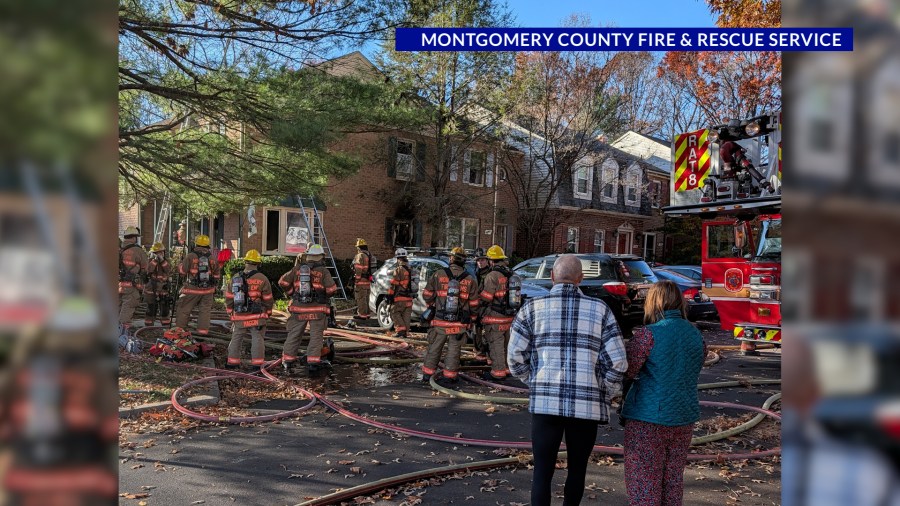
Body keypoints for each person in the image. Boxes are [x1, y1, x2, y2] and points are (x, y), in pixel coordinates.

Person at [507, 254, 627, 506]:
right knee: (577, 470)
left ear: (551, 277)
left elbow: (515, 357)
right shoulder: (600, 310)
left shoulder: (531, 309)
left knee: (542, 471)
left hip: (545, 404)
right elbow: (617, 362)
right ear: (580, 279)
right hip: (585, 407)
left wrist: (534, 381)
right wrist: (603, 389)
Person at [620, 280, 706, 506]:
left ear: (654, 302)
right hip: (684, 416)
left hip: (648, 417)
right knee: (673, 479)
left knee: (644, 482)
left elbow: (628, 370)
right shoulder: (696, 335)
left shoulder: (648, 335)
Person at [420, 247, 479, 384]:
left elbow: (427, 295)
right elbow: (474, 304)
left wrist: (433, 305)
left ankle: (427, 375)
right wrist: (473, 318)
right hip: (458, 324)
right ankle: (450, 376)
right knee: (454, 350)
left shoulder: (438, 274)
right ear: (464, 261)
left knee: (434, 348)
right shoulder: (470, 279)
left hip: (440, 321)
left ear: (451, 259)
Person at [278, 244, 338, 374]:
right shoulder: (323, 271)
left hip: (298, 309)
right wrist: (324, 296)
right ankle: (313, 363)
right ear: (321, 257)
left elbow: (282, 282)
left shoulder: (297, 269)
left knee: (294, 334)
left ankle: (287, 361)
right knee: (316, 336)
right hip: (317, 310)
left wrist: (291, 293)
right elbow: (332, 289)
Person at [477, 245, 521, 381]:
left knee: (496, 344)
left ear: (491, 261)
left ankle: (498, 372)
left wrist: (478, 306)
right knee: (507, 344)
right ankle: (507, 368)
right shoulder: (513, 274)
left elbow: (486, 297)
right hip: (509, 317)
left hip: (495, 317)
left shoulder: (492, 276)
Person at [225, 249, 273, 369]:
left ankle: (232, 362)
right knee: (257, 338)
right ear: (258, 263)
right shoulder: (262, 278)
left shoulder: (235, 278)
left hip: (240, 314)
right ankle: (257, 365)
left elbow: (229, 298)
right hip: (257, 316)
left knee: (236, 337)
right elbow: (268, 298)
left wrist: (231, 312)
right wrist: (268, 312)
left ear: (245, 262)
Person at [174, 234, 221, 336]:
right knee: (205, 312)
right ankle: (202, 333)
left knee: (184, 309)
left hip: (192, 289)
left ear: (196, 244)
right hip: (208, 290)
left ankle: (179, 333)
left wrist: (180, 265)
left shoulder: (191, 256)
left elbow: (183, 272)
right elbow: (217, 276)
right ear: (207, 245)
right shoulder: (213, 258)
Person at [118, 226, 148, 332]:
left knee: (118, 306)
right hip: (130, 286)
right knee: (129, 306)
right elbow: (146, 266)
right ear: (135, 238)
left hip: (117, 284)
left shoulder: (118, 248)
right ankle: (121, 333)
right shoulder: (137, 250)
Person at [386, 248, 416, 339]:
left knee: (394, 312)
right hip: (409, 298)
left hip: (400, 297)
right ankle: (405, 332)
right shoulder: (412, 269)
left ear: (398, 258)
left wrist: (390, 295)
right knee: (406, 315)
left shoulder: (399, 269)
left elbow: (394, 284)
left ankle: (400, 331)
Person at [143, 242, 172, 326]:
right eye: (156, 253)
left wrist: (162, 260)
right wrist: (155, 260)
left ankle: (165, 325)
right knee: (151, 307)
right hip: (152, 287)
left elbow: (168, 270)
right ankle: (149, 325)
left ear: (163, 252)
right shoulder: (150, 261)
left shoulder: (167, 261)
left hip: (163, 288)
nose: (159, 254)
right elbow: (149, 270)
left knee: (164, 308)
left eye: (160, 252)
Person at [472, 249, 491, 361]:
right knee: (476, 330)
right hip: (478, 307)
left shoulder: (490, 274)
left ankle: (487, 353)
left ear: (487, 261)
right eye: (478, 260)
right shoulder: (477, 273)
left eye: (482, 260)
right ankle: (480, 351)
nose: (480, 262)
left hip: (486, 307)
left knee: (486, 333)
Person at [352, 238, 374, 320]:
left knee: (360, 298)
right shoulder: (369, 255)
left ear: (359, 247)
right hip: (368, 281)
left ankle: (362, 315)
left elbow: (358, 268)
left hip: (361, 281)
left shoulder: (360, 255)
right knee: (366, 298)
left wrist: (357, 279)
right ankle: (367, 314)